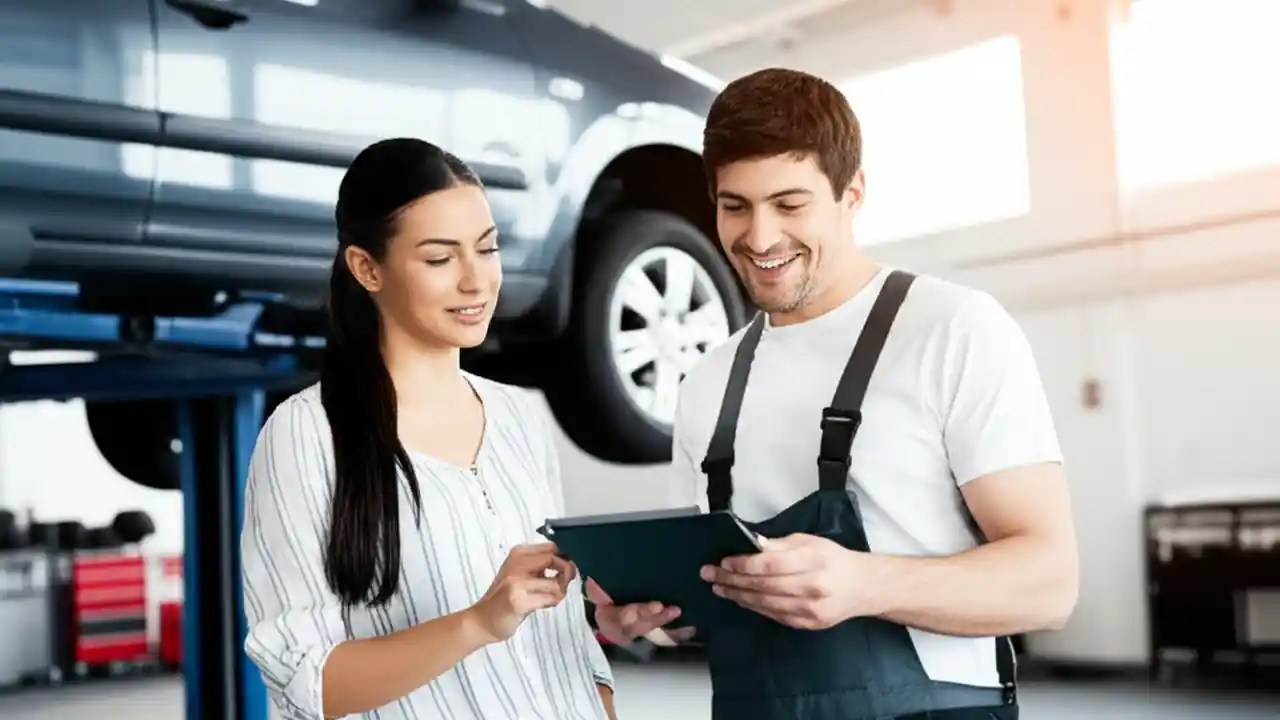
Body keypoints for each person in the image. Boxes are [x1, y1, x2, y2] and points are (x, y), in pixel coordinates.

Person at [587, 68, 1079, 719]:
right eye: (736, 206)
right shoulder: (708, 381)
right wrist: (645, 615)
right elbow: (697, 608)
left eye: (790, 205)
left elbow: (1049, 584)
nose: (759, 238)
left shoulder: (952, 328)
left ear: (853, 193)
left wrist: (863, 584)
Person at [240, 138, 616, 720]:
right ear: (367, 268)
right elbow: (306, 684)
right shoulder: (306, 435)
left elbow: (568, 643)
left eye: (486, 249)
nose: (476, 281)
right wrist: (476, 623)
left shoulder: (520, 418)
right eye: (440, 259)